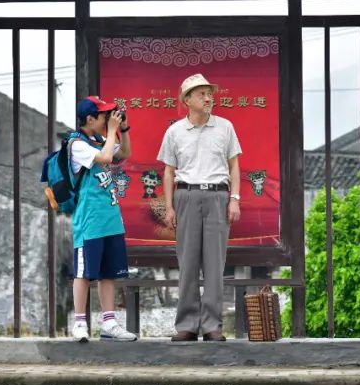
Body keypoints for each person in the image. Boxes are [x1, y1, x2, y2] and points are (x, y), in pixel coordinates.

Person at [158, 73, 242, 342]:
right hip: (187, 196)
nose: (208, 99)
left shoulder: (225, 127)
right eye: (202, 94)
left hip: (218, 197)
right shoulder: (174, 132)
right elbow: (168, 172)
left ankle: (212, 325)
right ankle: (187, 324)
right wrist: (169, 207)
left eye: (210, 94)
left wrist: (235, 198)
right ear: (187, 100)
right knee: (188, 262)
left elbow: (234, 166)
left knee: (215, 265)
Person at [69, 95, 138, 342]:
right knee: (84, 272)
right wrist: (112, 131)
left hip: (110, 218)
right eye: (104, 115)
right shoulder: (76, 144)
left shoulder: (100, 140)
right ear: (90, 119)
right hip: (89, 221)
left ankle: (109, 322)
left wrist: (124, 129)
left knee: (108, 272)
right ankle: (79, 322)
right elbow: (107, 158)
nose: (109, 119)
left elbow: (125, 153)